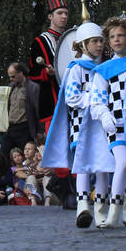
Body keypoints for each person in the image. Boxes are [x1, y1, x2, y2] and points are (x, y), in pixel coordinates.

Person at [42, 15, 105, 227]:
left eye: (100, 41)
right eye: (94, 41)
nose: (99, 45)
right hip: (81, 125)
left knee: (102, 165)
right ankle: (82, 206)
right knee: (83, 167)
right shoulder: (75, 68)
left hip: (101, 126)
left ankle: (103, 208)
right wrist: (96, 99)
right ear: (83, 45)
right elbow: (71, 97)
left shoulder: (104, 68)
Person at [92, 16, 126, 233]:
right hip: (116, 125)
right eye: (112, 36)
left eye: (120, 35)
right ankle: (114, 209)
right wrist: (104, 116)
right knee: (123, 164)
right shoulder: (104, 70)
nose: (116, 40)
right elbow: (97, 99)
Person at [27, 0, 69, 133]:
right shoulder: (39, 42)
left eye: (65, 13)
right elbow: (33, 72)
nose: (64, 16)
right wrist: (46, 72)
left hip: (73, 98)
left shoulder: (72, 38)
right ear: (50, 16)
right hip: (52, 101)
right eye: (60, 13)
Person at [0, 62, 41, 160]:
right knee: (2, 157)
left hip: (24, 128)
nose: (11, 79)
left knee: (28, 157)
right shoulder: (10, 86)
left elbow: (38, 110)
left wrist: (39, 130)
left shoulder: (32, 87)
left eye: (13, 76)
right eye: (10, 77)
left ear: (21, 73)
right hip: (10, 128)